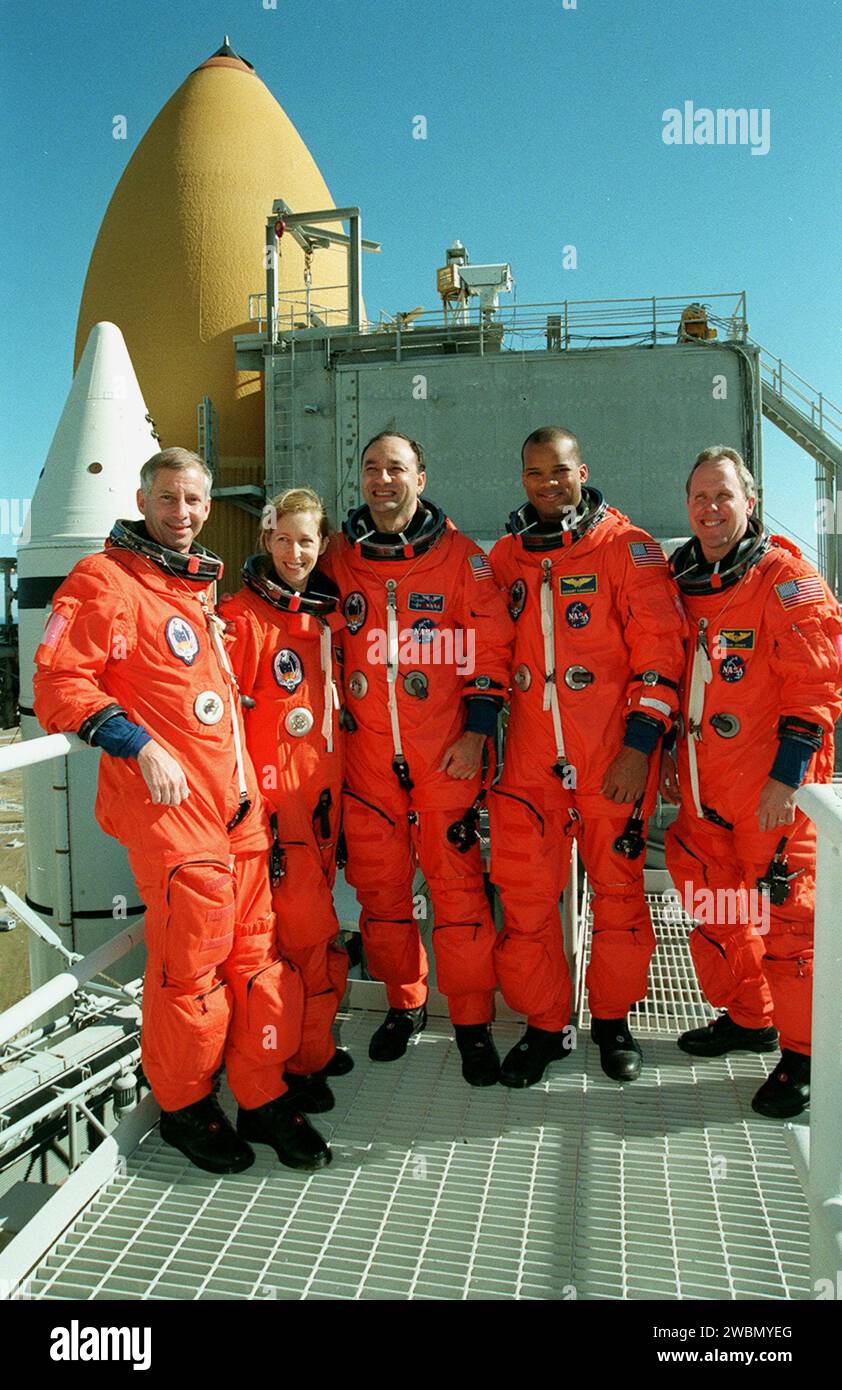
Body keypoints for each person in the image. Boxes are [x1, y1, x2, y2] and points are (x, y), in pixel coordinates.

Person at [33, 447, 331, 1173]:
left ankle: (259, 1093)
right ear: (142, 498)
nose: (183, 513)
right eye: (168, 499)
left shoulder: (191, 591)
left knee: (257, 959)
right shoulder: (103, 580)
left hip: (236, 807)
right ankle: (186, 1106)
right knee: (190, 970)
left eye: (195, 500)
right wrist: (136, 743)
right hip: (172, 813)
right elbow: (57, 685)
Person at [488, 427, 686, 1086]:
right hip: (531, 765)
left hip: (610, 759)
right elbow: (484, 648)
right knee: (527, 900)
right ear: (523, 481)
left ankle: (611, 1021)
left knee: (620, 896)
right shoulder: (510, 556)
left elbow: (661, 655)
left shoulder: (629, 550)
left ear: (583, 471)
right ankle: (547, 1026)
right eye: (535, 473)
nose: (549, 484)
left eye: (560, 471)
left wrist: (638, 750)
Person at [320, 431, 514, 1085]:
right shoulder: (338, 559)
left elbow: (491, 649)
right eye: (371, 468)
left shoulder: (462, 559)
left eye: (395, 468)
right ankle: (404, 1007)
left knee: (459, 895)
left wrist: (477, 732)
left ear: (420, 479)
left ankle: (471, 1021)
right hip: (367, 761)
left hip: (445, 756)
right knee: (381, 898)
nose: (382, 479)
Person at [660, 446, 842, 1118]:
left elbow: (819, 685)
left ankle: (803, 1058)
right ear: (688, 505)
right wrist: (676, 765)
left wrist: (787, 780)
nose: (711, 510)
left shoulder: (787, 579)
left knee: (790, 929)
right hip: (706, 791)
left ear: (751, 500)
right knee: (716, 911)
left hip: (771, 793)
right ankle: (748, 1017)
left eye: (724, 497)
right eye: (700, 498)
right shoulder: (678, 583)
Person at [221, 488, 352, 1116]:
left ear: (323, 545)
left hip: (322, 810)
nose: (295, 551)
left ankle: (312, 1046)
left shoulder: (326, 619)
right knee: (289, 945)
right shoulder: (241, 620)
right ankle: (287, 1070)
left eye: (308, 540)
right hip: (275, 821)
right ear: (265, 542)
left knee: (319, 940)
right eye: (284, 539)